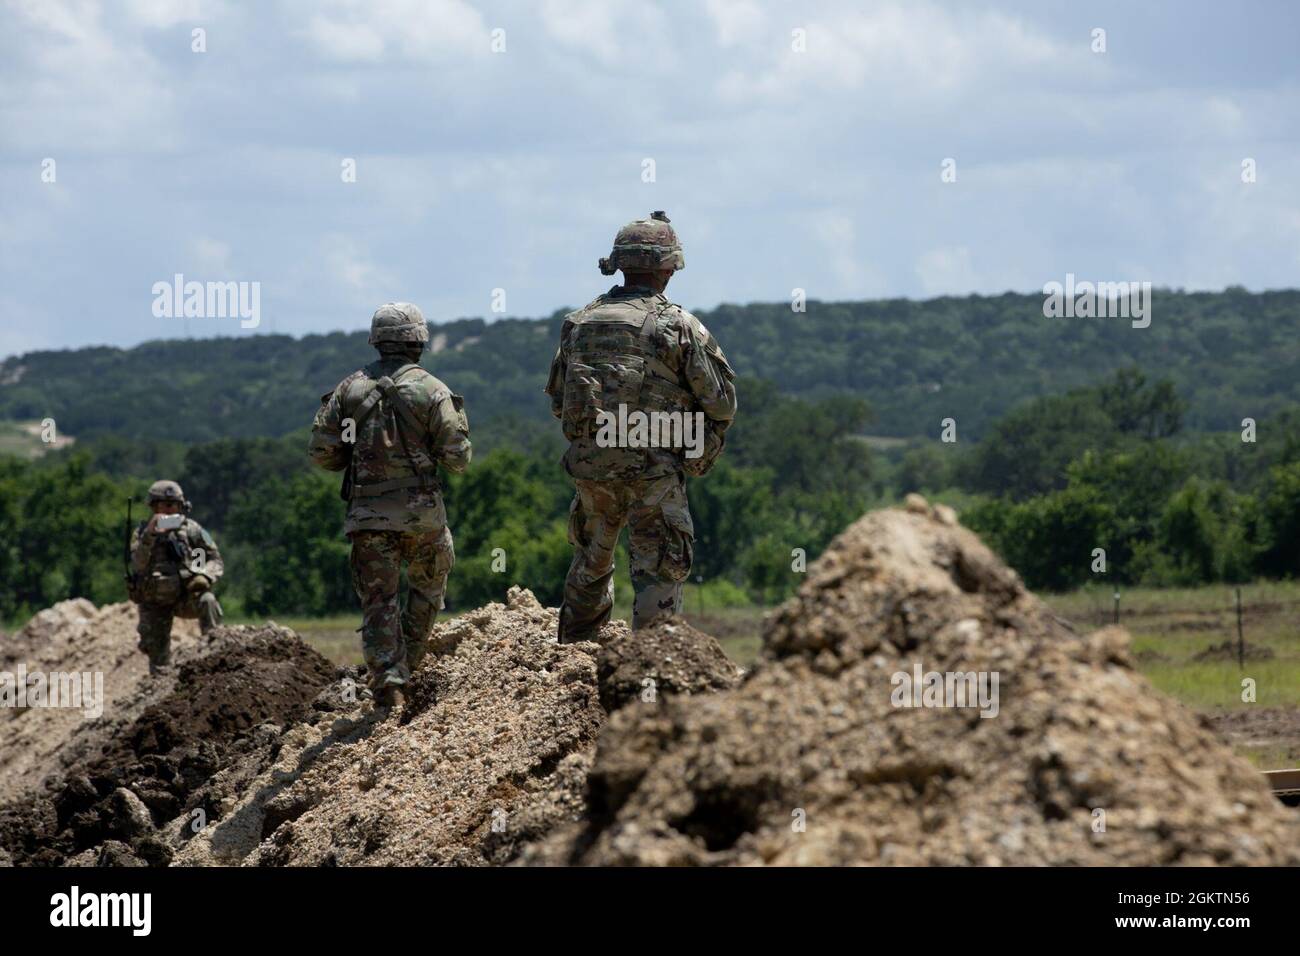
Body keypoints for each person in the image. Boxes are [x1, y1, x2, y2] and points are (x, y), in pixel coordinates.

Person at [544, 211, 737, 643]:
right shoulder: (678, 325)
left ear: (621, 263)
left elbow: (560, 402)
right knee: (659, 570)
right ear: (667, 268)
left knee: (590, 563)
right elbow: (721, 404)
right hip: (654, 470)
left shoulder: (577, 324)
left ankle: (573, 664)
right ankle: (649, 673)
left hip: (592, 468)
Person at [309, 302, 471, 714]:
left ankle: (389, 681)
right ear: (419, 342)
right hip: (423, 516)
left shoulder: (349, 390)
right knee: (428, 590)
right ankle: (408, 669)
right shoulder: (433, 391)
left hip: (368, 516)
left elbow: (323, 454)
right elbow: (458, 458)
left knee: (379, 600)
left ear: (376, 340)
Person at [128, 479, 224, 674]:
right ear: (154, 507)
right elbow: (138, 564)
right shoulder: (142, 533)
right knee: (158, 661)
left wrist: (204, 576)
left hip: (184, 598)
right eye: (164, 505)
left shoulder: (192, 531)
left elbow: (214, 560)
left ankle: (215, 655)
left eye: (174, 505)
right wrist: (150, 536)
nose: (170, 511)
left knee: (208, 601)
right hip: (155, 603)